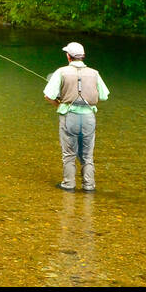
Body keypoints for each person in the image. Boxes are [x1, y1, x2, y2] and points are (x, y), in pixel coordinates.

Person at [43, 42, 109, 191]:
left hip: (69, 117)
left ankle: (68, 184)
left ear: (68, 56)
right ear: (82, 57)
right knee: (87, 155)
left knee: (69, 154)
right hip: (88, 118)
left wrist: (59, 105)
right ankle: (89, 186)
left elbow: (48, 96)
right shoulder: (94, 73)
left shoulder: (61, 72)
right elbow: (104, 96)